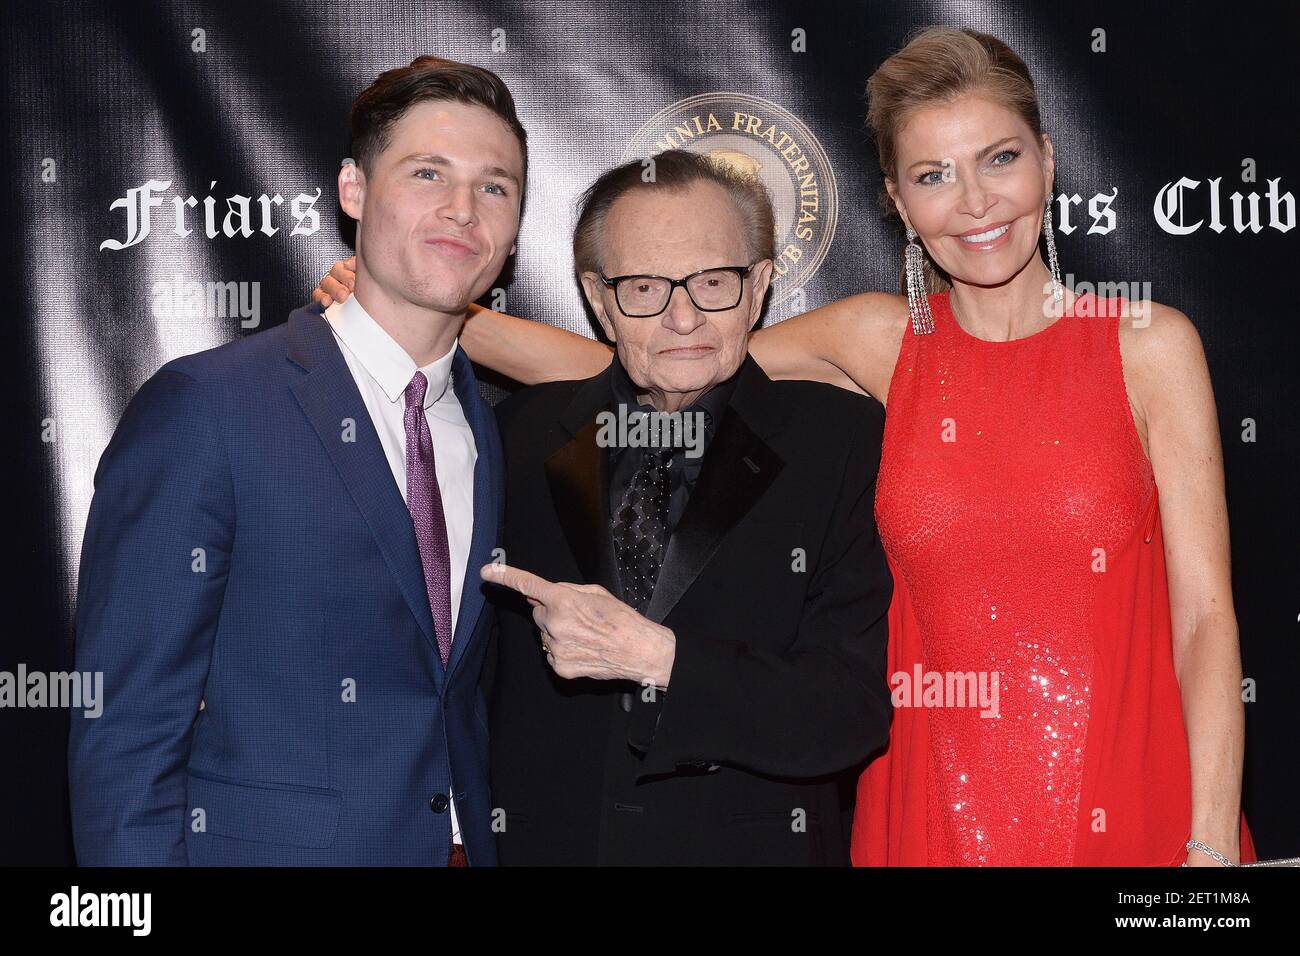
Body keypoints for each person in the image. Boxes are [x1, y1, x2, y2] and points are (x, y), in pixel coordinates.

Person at [317, 28, 1255, 866]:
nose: (973, 203)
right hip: (929, 803)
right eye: (932, 175)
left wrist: (1209, 844)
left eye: (999, 159)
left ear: (1049, 161)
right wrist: (428, 311)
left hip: (1126, 792)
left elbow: (1207, 617)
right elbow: (672, 354)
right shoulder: (882, 343)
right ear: (895, 199)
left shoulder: (1145, 344)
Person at [69, 56, 523, 866]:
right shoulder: (209, 407)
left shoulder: (482, 430)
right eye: (428, 173)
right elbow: (127, 727)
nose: (463, 208)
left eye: (496, 186)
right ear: (353, 190)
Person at [484, 150, 892, 864]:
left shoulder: (843, 443)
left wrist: (661, 659)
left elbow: (849, 710)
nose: (682, 318)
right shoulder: (514, 434)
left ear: (760, 284)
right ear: (598, 297)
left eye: (713, 282)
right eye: (644, 286)